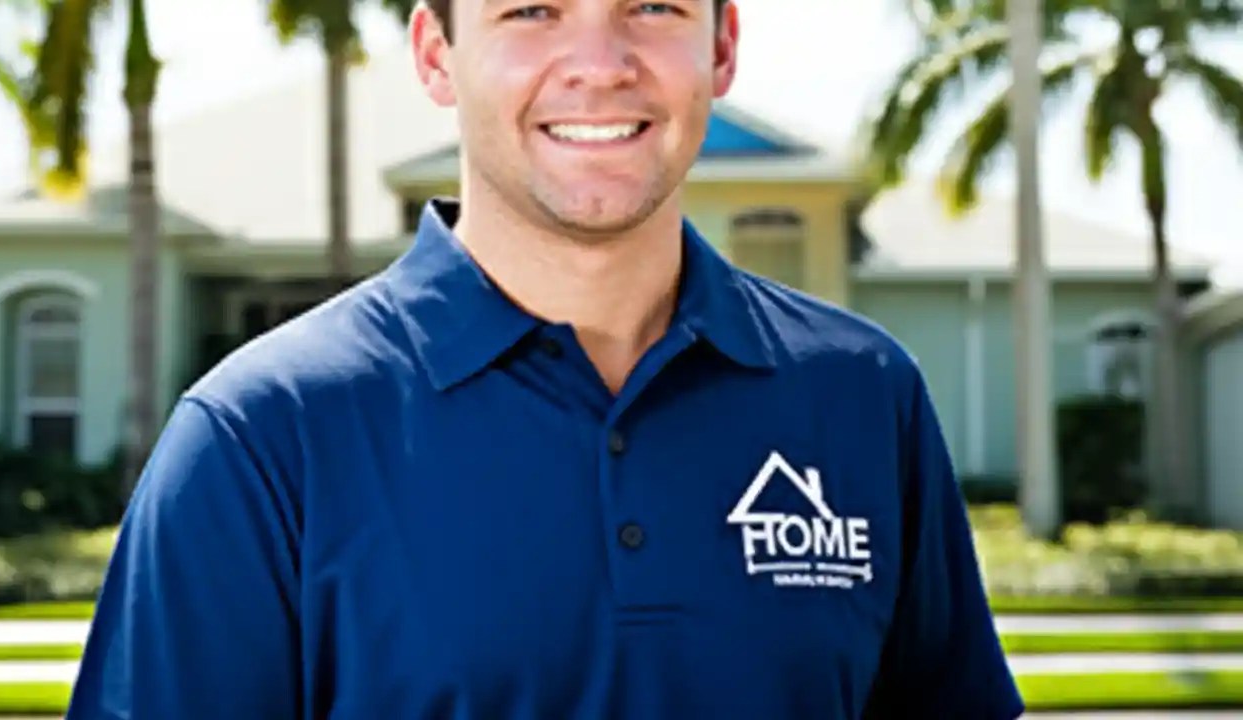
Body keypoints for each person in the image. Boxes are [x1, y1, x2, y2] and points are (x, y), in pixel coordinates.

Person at [67, 0, 1025, 718]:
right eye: (532, 10)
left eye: (652, 6)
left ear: (722, 44)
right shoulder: (259, 438)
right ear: (437, 54)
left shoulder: (864, 394)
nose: (599, 66)